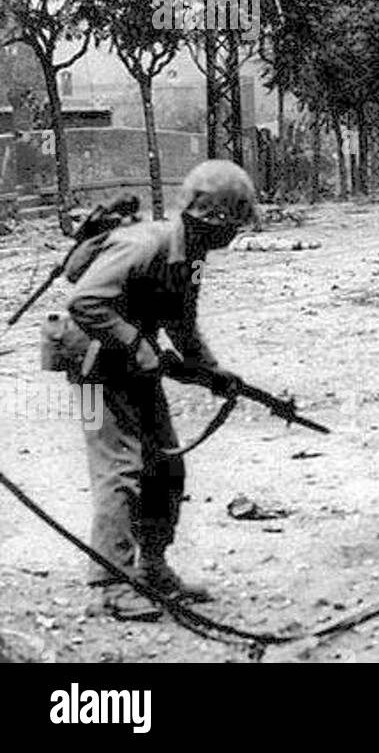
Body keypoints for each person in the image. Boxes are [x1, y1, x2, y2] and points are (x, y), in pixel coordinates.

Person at [65, 159, 257, 621]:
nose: (234, 235)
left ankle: (151, 566)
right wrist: (135, 342)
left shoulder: (188, 260)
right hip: (90, 372)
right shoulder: (145, 244)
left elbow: (182, 329)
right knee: (120, 468)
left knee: (166, 462)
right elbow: (84, 301)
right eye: (233, 223)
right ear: (212, 218)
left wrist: (214, 373)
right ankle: (110, 583)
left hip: (130, 367)